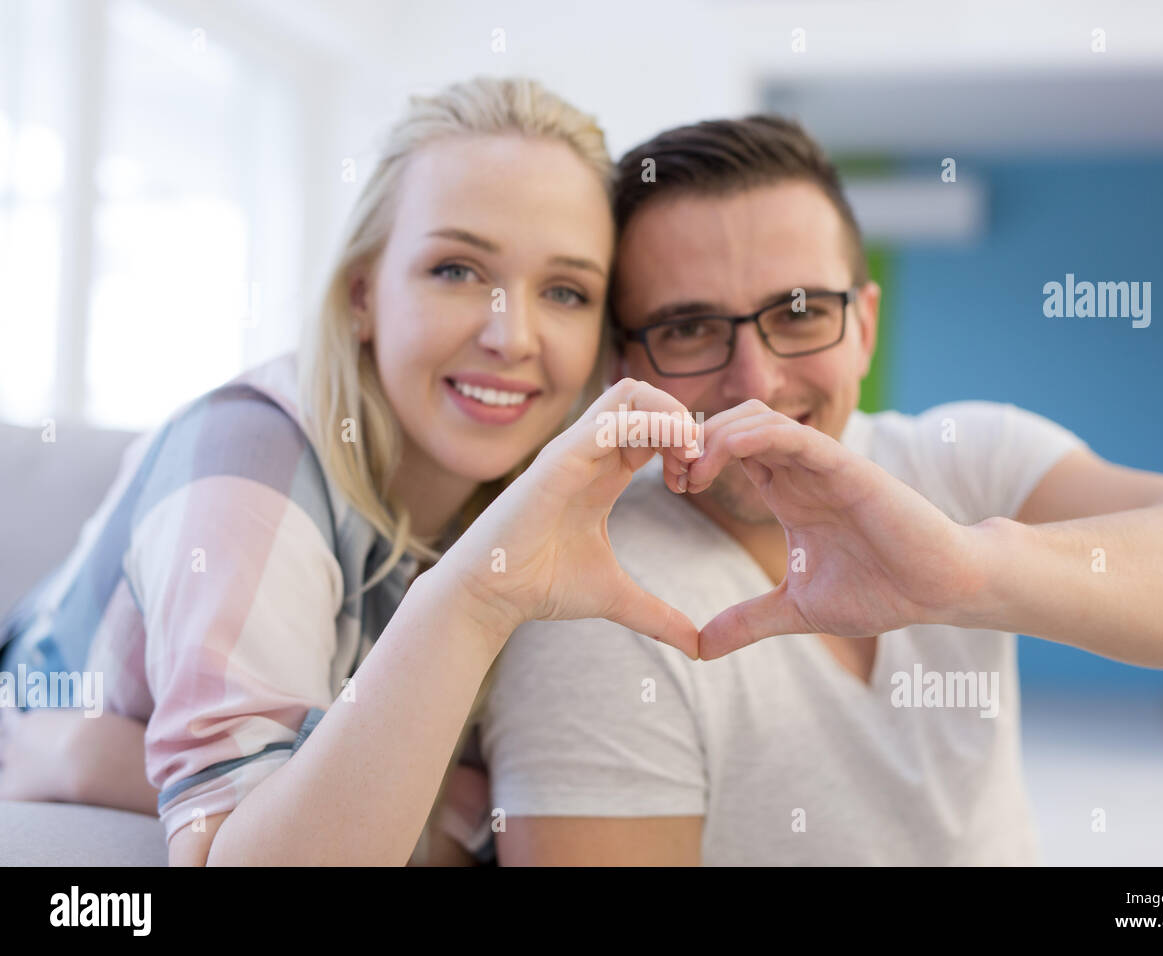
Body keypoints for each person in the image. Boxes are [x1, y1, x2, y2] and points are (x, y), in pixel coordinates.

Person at [475, 115, 1163, 865]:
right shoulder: (597, 611)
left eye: (799, 313)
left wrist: (971, 573)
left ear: (865, 325)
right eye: (689, 328)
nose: (754, 381)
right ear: (623, 365)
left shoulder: (963, 458)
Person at [0, 76, 703, 866]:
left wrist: (96, 759)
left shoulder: (532, 500)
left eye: (566, 291)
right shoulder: (248, 466)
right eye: (457, 270)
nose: (513, 337)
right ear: (363, 293)